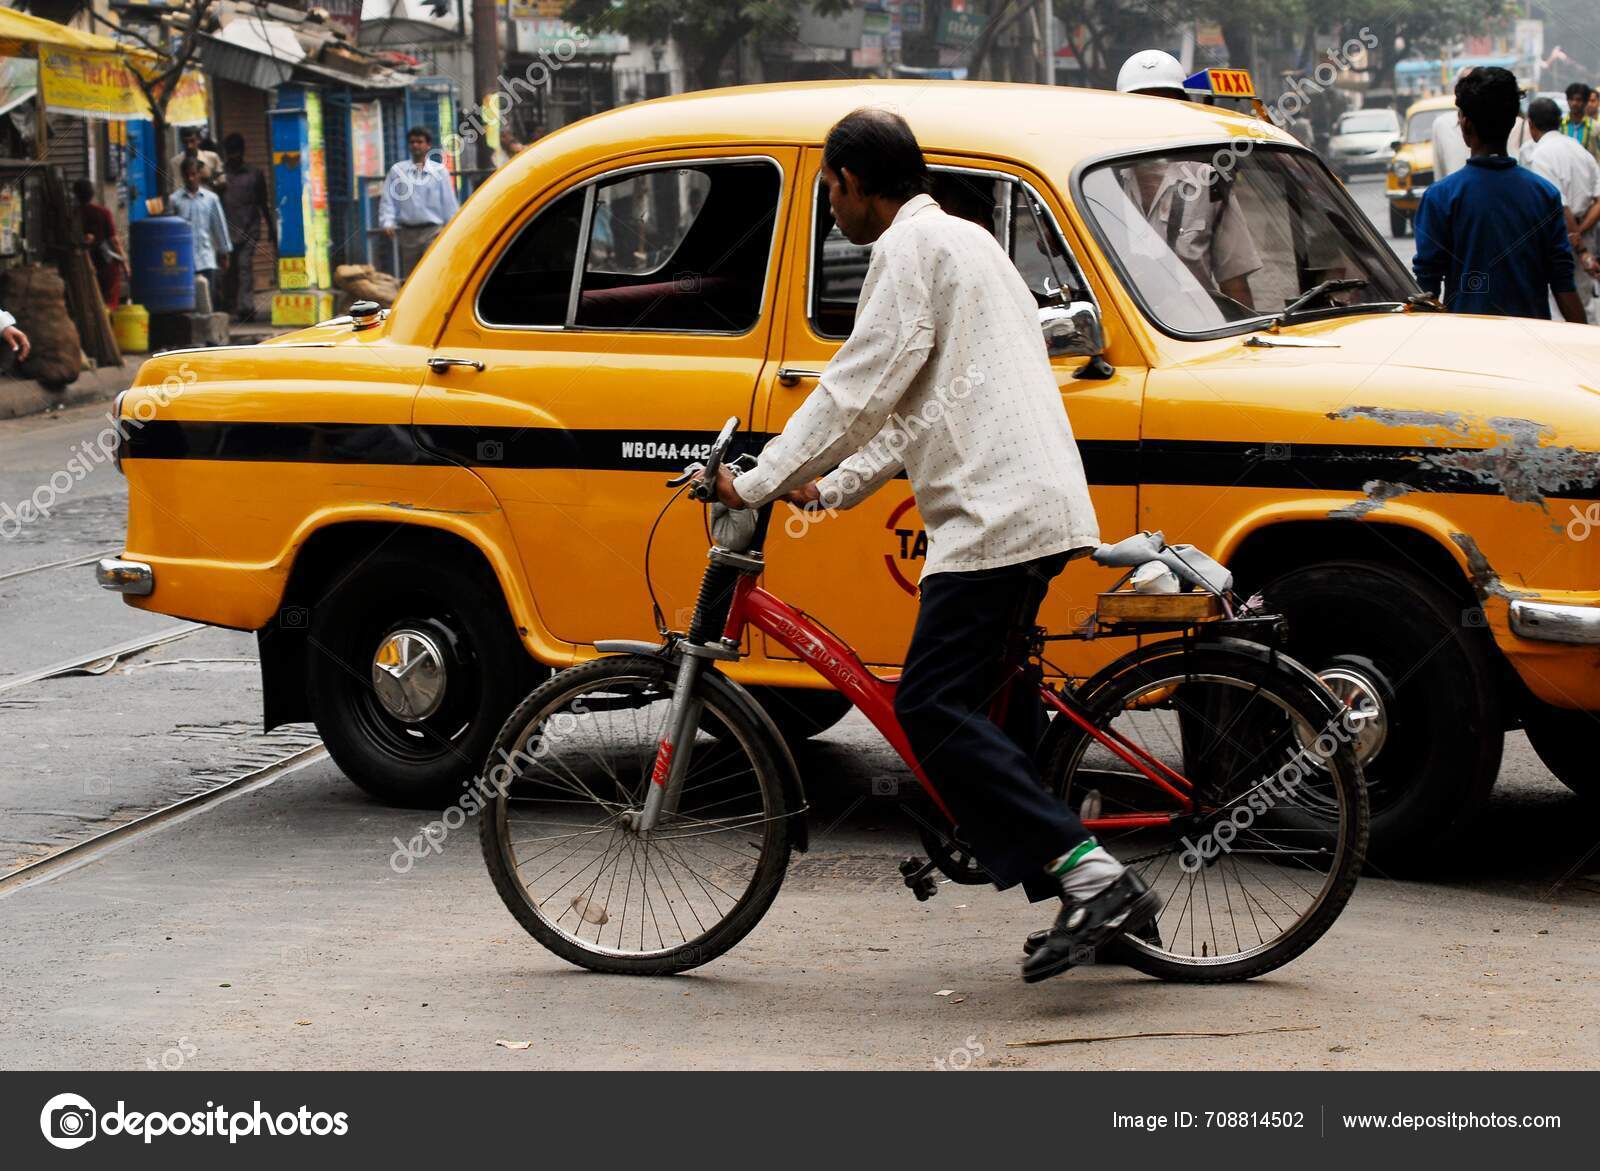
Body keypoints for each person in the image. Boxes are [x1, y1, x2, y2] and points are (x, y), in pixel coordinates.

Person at [708, 108, 1158, 984]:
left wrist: (759, 479)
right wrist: (828, 486)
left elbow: (857, 387)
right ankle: (1065, 860)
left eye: (829, 193)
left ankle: (1091, 872)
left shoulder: (906, 254)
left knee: (929, 706)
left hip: (994, 520)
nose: (830, 211)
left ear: (852, 181)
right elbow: (912, 408)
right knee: (996, 709)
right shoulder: (970, 243)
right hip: (1033, 502)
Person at [1413, 68, 1586, 323]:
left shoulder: (1440, 198)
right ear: (1511, 123)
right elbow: (1563, 284)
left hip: (1464, 348)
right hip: (1533, 348)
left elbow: (1426, 289)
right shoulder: (1544, 194)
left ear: (1466, 124)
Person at [1115, 49, 1261, 308]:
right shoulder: (1098, 182)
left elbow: (1235, 285)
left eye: (1164, 107)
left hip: (1195, 334)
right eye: (1141, 107)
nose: (1152, 117)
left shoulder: (1209, 181)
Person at [1525, 96, 1600, 319]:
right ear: (1560, 121)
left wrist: (1575, 237)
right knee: (1584, 300)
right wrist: (1581, 233)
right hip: (1584, 232)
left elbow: (1557, 204)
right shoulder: (1579, 150)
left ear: (1531, 123)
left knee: (1560, 305)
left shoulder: (1539, 155)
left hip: (1561, 235)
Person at [378, 126, 459, 279]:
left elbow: (448, 202)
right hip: (407, 233)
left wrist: (451, 228)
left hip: (433, 231)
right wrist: (387, 221)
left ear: (428, 145)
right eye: (412, 142)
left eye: (420, 142)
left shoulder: (439, 172)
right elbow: (388, 199)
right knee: (411, 276)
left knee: (432, 272)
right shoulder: (398, 171)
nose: (415, 145)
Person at [219, 133, 276, 322]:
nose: (233, 157)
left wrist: (271, 228)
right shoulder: (221, 177)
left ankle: (246, 307)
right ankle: (231, 304)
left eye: (236, 153)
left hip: (250, 228)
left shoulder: (254, 174)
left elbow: (263, 202)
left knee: (244, 266)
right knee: (230, 270)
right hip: (227, 230)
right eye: (230, 153)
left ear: (242, 152)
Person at [169, 157, 230, 306]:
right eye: (187, 175)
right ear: (183, 176)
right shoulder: (174, 200)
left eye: (194, 174)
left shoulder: (211, 199)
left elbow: (219, 226)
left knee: (208, 299)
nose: (190, 178)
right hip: (184, 260)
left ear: (199, 175)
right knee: (187, 300)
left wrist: (224, 252)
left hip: (206, 258)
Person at [73, 178, 125, 311]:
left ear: (75, 194)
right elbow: (114, 240)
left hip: (82, 264)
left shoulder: (73, 214)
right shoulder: (102, 213)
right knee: (109, 302)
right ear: (92, 193)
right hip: (105, 263)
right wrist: (125, 263)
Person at [1560, 83, 1600, 162]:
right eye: (1571, 99)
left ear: (1585, 102)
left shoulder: (1595, 127)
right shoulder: (1560, 126)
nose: (1574, 103)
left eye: (1578, 100)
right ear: (1567, 101)